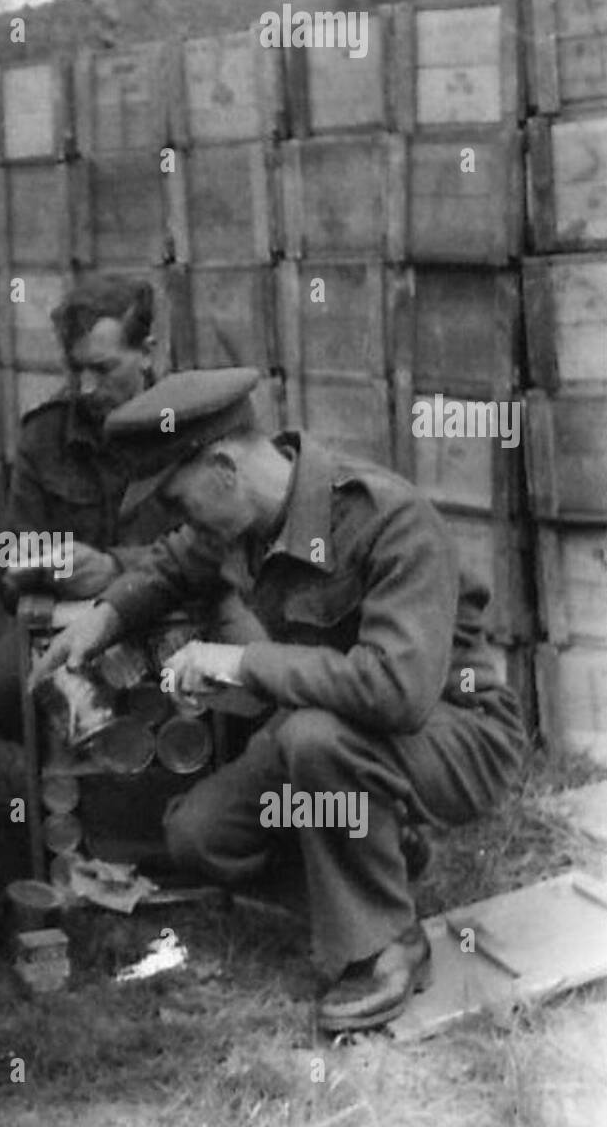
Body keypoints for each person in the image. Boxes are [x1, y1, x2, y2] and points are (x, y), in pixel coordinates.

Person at [30, 369, 527, 1032]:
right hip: (342, 732)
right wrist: (101, 620)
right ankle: (379, 854)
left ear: (225, 468)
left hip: (456, 732)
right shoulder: (237, 521)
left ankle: (385, 944)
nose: (182, 522)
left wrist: (243, 662)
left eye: (179, 502)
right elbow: (171, 565)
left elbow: (396, 691)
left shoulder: (389, 519)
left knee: (310, 738)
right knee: (200, 837)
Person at [0, 275, 182, 741]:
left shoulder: (189, 423)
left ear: (148, 353)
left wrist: (114, 568)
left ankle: (196, 763)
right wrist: (34, 566)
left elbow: (226, 553)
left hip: (176, 609)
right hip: (70, 616)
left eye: (103, 369)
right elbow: (11, 560)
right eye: (74, 369)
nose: (85, 388)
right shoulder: (44, 436)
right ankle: (62, 790)